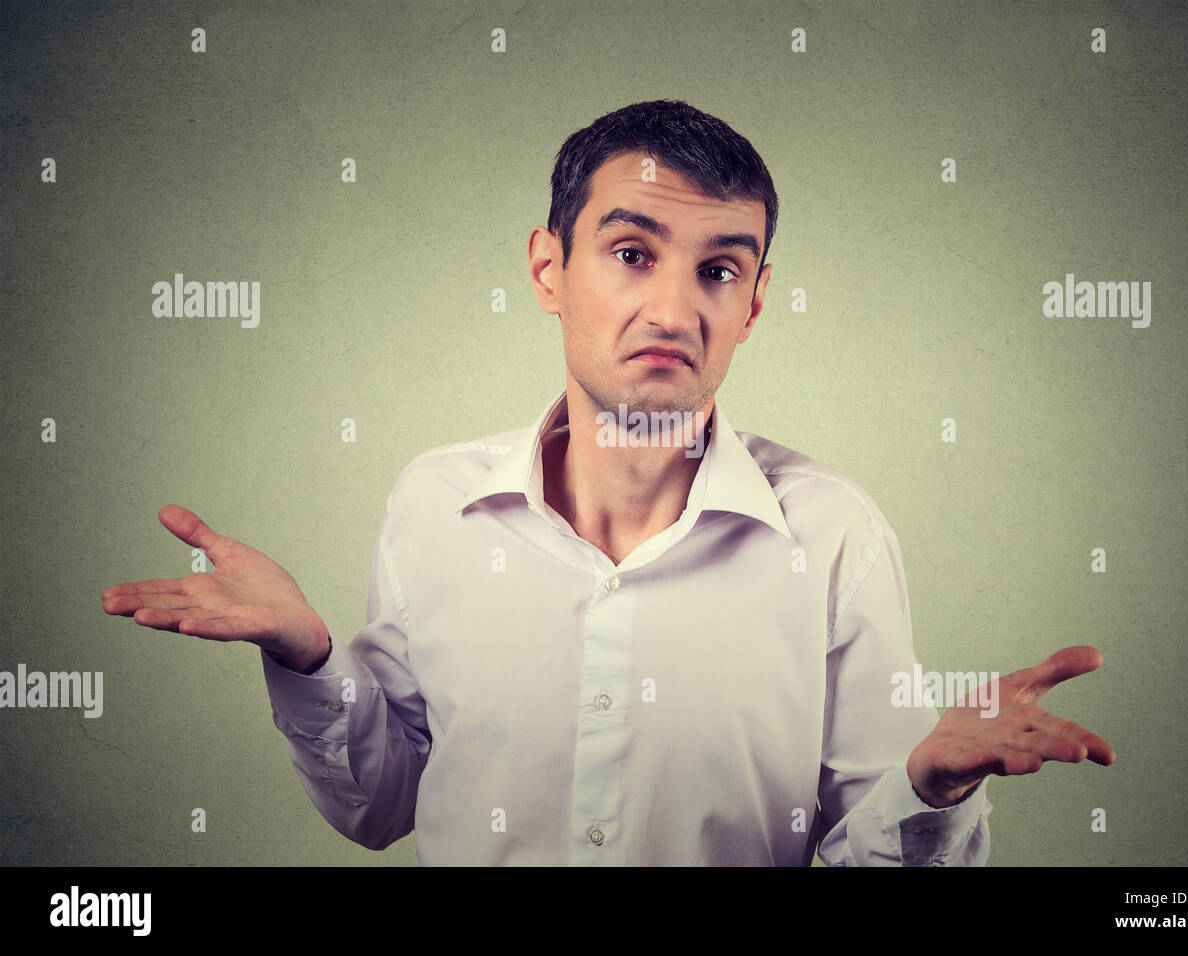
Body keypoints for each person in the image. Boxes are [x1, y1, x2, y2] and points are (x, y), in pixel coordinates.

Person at [101, 100, 1114, 865]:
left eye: (718, 269)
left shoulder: (835, 534)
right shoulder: (433, 505)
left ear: (755, 302)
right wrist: (311, 656)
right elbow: (381, 806)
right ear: (549, 269)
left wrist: (930, 787)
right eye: (632, 252)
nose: (673, 308)